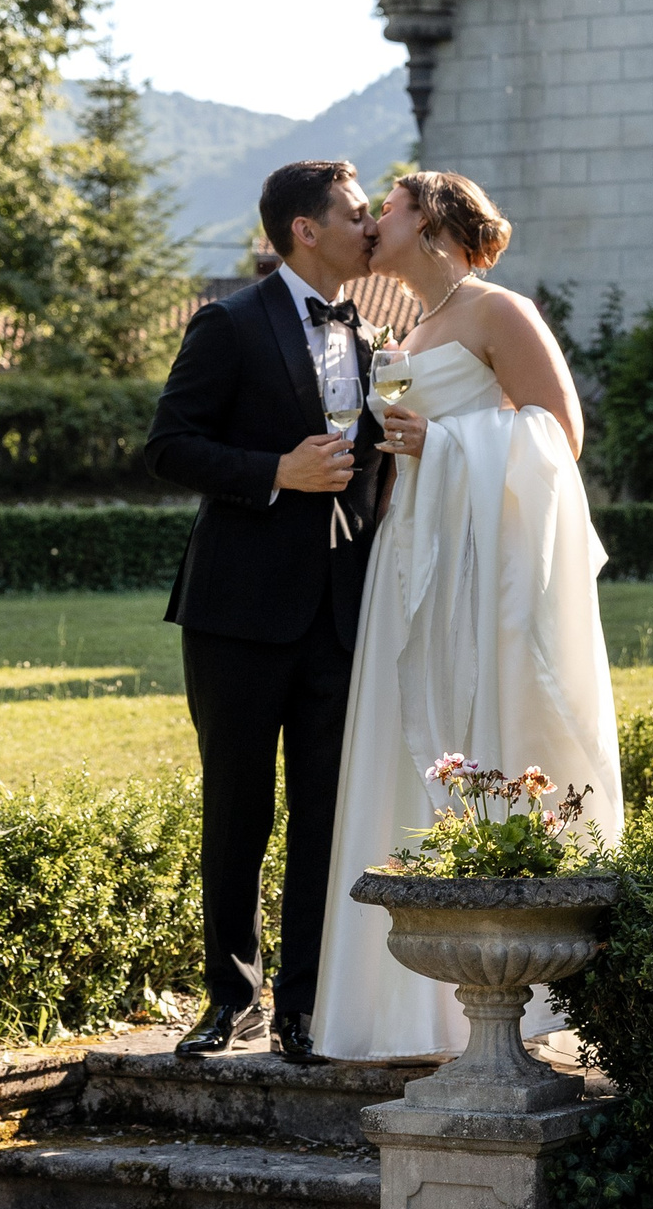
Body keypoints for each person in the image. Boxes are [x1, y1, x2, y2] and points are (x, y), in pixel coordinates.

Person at [314, 170, 624, 1061]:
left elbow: (559, 436)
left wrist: (448, 444)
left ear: (434, 222)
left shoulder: (501, 312)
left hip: (478, 563)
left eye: (389, 208)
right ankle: (398, 1009)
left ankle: (505, 990)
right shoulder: (408, 328)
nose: (374, 221)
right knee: (399, 736)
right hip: (410, 551)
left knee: (479, 722)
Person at [143, 158, 389, 1063]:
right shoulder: (230, 323)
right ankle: (231, 1001)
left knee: (325, 816)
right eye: (356, 214)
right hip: (236, 613)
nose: (372, 226)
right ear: (305, 230)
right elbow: (169, 446)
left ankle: (306, 1008)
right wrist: (275, 472)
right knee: (237, 813)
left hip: (340, 613)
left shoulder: (373, 337)